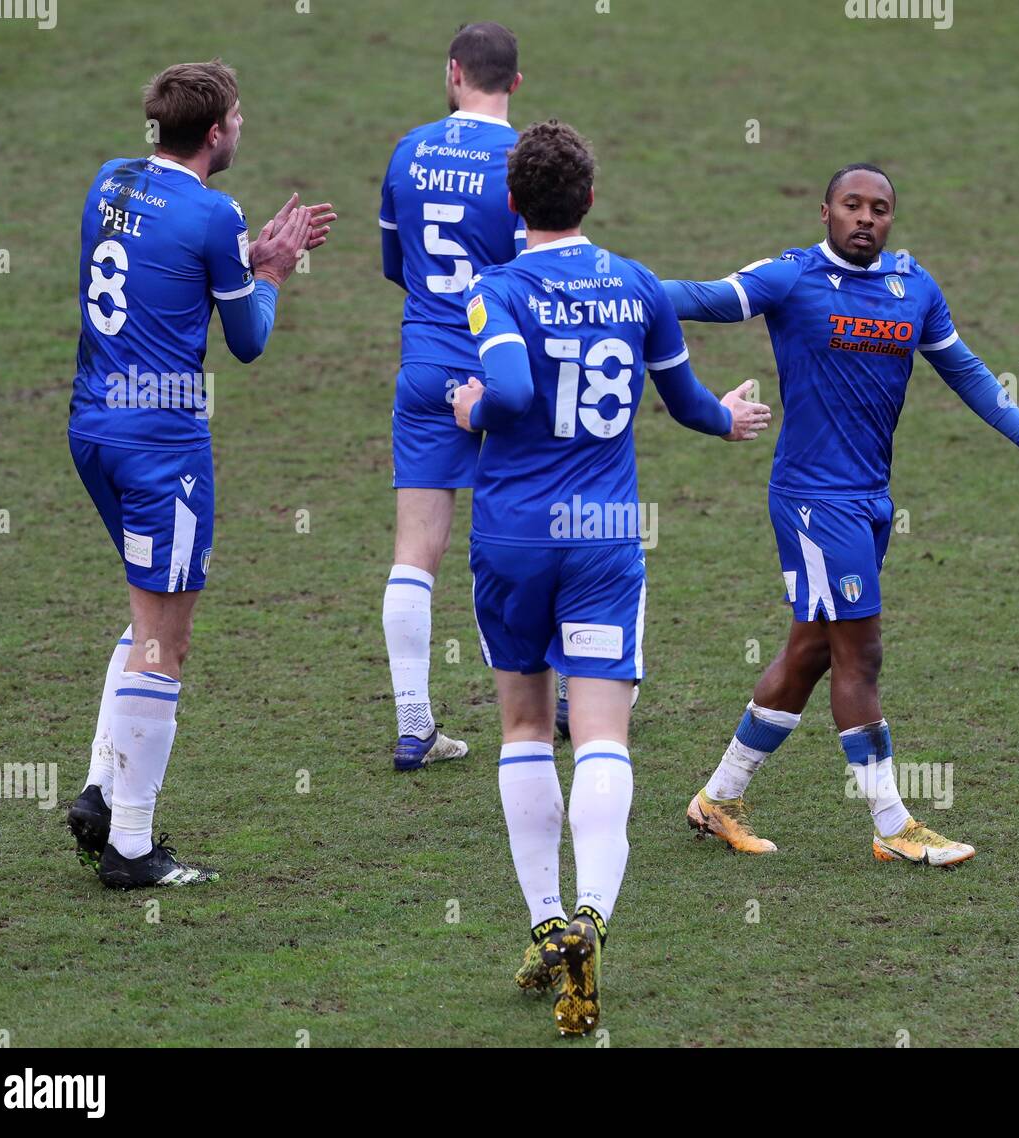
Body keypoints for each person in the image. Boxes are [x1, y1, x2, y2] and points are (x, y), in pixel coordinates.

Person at [452, 121, 770, 1034]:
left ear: (514, 204)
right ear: (590, 199)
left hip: (513, 537)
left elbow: (508, 394)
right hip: (601, 537)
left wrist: (474, 404)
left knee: (522, 723)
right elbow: (687, 403)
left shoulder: (497, 288)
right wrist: (729, 419)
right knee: (601, 737)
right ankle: (593, 915)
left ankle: (545, 921)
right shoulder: (633, 284)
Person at [665, 163, 1019, 866]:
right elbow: (699, 298)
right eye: (851, 205)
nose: (865, 218)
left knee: (813, 650)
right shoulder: (790, 278)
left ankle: (718, 798)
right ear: (824, 211)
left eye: (879, 208)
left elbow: (966, 371)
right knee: (863, 653)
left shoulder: (913, 288)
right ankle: (893, 824)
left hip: (870, 501)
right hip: (813, 501)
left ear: (891, 219)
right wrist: (603, 283)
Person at [65, 59, 335, 887]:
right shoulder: (214, 211)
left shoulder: (111, 181)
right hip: (162, 449)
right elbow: (248, 338)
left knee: (145, 613)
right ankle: (133, 849)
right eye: (239, 117)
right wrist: (271, 271)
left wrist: (236, 258)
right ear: (215, 132)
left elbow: (161, 268)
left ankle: (100, 794)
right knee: (166, 639)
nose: (242, 128)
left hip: (92, 431)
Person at [379, 21, 525, 770]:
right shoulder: (525, 162)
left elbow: (397, 267)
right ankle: (558, 702)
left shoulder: (409, 150)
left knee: (416, 552)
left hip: (426, 367)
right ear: (516, 83)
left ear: (454, 71)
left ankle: (414, 724)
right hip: (506, 375)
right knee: (529, 539)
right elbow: (536, 282)